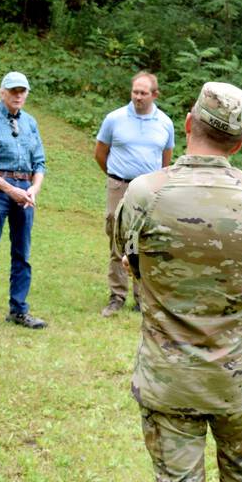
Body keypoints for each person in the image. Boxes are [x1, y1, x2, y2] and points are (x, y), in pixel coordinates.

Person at [116, 82, 242, 482]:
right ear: (241, 143)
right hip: (238, 381)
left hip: (171, 380)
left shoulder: (144, 192)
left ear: (188, 123)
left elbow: (130, 262)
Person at [0, 71, 48, 333]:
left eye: (22, 91)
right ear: (1, 92)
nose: (18, 95)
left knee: (22, 254)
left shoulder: (31, 122)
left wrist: (33, 189)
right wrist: (8, 189)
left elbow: (39, 162)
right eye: (13, 90)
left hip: (25, 191)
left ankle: (19, 309)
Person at [95, 71, 174, 317]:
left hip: (149, 191)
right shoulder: (114, 119)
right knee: (118, 239)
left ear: (154, 94)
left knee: (143, 240)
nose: (138, 97)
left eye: (143, 93)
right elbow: (100, 153)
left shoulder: (165, 123)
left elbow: (166, 161)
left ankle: (142, 298)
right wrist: (115, 178)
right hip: (119, 186)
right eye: (135, 92)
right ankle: (116, 296)